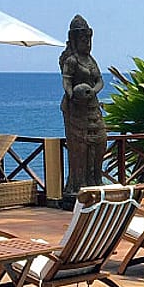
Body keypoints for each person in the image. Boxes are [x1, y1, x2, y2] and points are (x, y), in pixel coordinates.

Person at [60, 14, 107, 192]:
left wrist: (93, 92)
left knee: (100, 141)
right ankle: (80, 183)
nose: (87, 43)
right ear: (74, 40)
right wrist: (73, 95)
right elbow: (66, 81)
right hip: (77, 110)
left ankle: (96, 178)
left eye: (88, 39)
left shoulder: (91, 61)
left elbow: (100, 81)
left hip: (92, 107)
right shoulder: (72, 61)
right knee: (80, 148)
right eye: (83, 39)